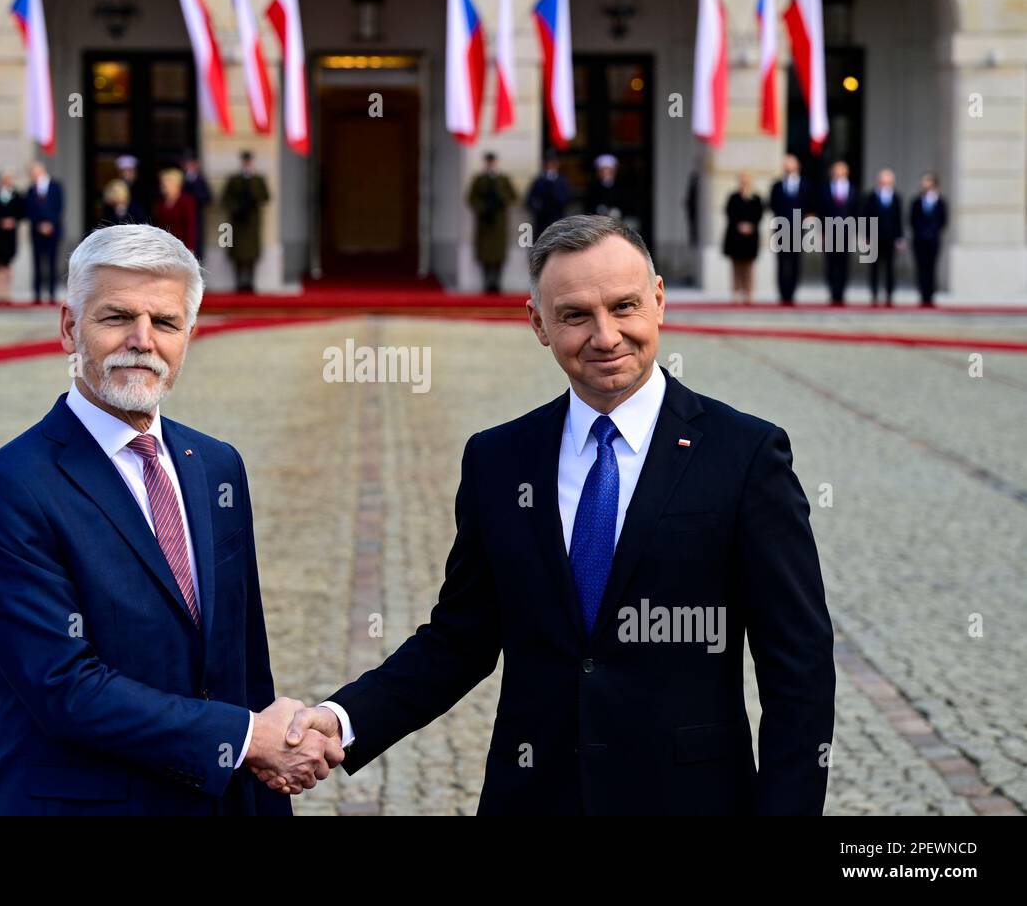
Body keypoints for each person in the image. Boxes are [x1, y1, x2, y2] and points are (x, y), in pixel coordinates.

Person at [265, 215, 836, 815]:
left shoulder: (745, 455)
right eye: (576, 315)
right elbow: (461, 640)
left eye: (624, 307)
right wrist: (341, 720)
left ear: (659, 302)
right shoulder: (498, 459)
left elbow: (798, 669)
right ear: (537, 322)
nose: (607, 335)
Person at [0, 224, 342, 814]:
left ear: (190, 334)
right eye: (116, 318)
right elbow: (65, 688)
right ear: (68, 327)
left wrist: (269, 767)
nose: (142, 340)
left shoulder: (217, 466)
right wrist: (244, 738)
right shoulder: (7, 488)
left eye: (164, 323)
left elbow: (243, 663)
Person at [220, 150, 270, 293]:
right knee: (237, 253)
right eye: (245, 161)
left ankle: (250, 282)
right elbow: (226, 199)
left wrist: (252, 183)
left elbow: (265, 197)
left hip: (252, 222)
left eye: (249, 161)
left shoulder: (258, 179)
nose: (247, 163)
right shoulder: (234, 179)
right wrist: (236, 208)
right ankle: (239, 282)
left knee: (252, 253)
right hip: (237, 222)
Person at [467, 151, 518, 294]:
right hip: (485, 222)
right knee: (484, 254)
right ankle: (487, 282)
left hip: (498, 222)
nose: (490, 164)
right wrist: (482, 208)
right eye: (488, 161)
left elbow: (513, 196)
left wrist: (501, 199)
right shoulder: (479, 179)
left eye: (492, 161)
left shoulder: (502, 179)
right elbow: (471, 199)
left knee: (498, 254)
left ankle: (496, 282)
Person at [769, 154, 812, 305]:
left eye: (791, 164)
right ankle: (782, 294)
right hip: (781, 229)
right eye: (785, 164)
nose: (788, 167)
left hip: (798, 229)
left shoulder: (804, 185)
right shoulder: (777, 185)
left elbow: (808, 205)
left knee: (795, 262)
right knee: (781, 262)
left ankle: (792, 293)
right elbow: (773, 205)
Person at [863, 169, 905, 307]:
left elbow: (899, 219)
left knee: (890, 268)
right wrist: (866, 236)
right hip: (874, 237)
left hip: (890, 237)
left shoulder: (896, 197)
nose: (885, 183)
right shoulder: (872, 196)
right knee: (874, 268)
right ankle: (874, 294)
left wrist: (900, 238)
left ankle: (889, 295)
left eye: (887, 180)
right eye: (883, 180)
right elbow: (866, 217)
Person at [820, 160, 859, 306]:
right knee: (830, 264)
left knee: (844, 264)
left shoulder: (853, 189)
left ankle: (841, 293)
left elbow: (856, 211)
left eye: (841, 170)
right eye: (835, 170)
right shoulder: (825, 189)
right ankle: (832, 292)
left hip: (846, 231)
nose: (838, 173)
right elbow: (822, 211)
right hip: (830, 231)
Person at [26, 161, 64, 304]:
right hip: (36, 231)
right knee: (37, 262)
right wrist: (39, 225)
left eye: (34, 172)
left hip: (53, 231)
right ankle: (37, 295)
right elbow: (29, 210)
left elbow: (59, 207)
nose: (32, 175)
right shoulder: (31, 189)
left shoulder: (56, 186)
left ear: (41, 171)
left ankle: (52, 294)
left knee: (52, 262)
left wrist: (50, 224)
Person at [722, 171, 763, 304]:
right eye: (742, 179)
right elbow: (729, 213)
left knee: (749, 267)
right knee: (736, 267)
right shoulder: (733, 197)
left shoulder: (755, 198)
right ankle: (736, 293)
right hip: (736, 238)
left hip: (750, 238)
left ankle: (749, 294)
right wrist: (740, 226)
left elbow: (759, 214)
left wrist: (750, 226)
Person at [909, 173, 948, 307]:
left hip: (933, 240)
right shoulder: (917, 201)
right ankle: (922, 296)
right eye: (923, 181)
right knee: (921, 269)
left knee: (931, 268)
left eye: (927, 181)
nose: (924, 183)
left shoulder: (940, 202)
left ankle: (930, 297)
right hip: (919, 240)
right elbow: (912, 220)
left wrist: (932, 232)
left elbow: (943, 220)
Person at [0, 169, 24, 305]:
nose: (7, 180)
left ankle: (7, 293)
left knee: (8, 264)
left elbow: (21, 212)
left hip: (10, 235)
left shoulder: (16, 194)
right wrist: (0, 221)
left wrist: (13, 220)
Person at [525, 150, 572, 240]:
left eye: (553, 162)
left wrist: (559, 201)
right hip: (542, 220)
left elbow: (568, 197)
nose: (551, 165)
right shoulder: (539, 180)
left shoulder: (562, 180)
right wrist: (537, 208)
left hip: (558, 218)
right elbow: (530, 199)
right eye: (549, 162)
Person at [152, 168, 198, 252]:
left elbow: (191, 226)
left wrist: (190, 248)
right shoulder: (160, 202)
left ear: (176, 184)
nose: (163, 186)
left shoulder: (186, 201)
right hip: (164, 247)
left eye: (166, 182)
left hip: (182, 247)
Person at [181, 150, 212, 260]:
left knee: (195, 245)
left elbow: (207, 198)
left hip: (196, 218)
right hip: (181, 220)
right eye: (187, 163)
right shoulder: (180, 180)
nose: (189, 166)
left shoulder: (199, 180)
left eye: (191, 163)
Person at [585, 153, 627, 220]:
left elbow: (626, 204)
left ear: (614, 171)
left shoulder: (622, 186)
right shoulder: (593, 187)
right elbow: (588, 206)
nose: (605, 173)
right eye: (602, 170)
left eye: (608, 170)